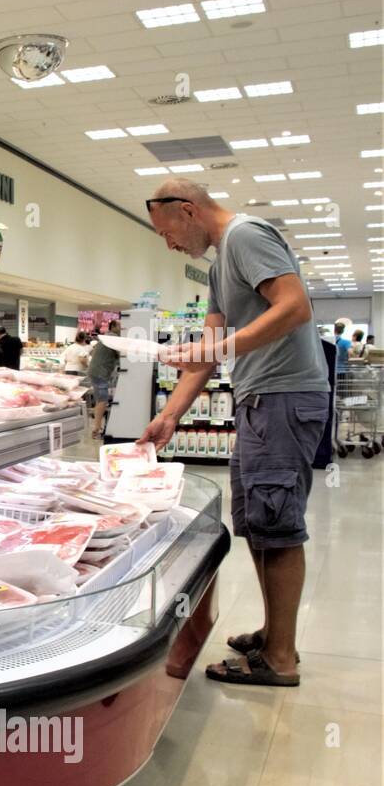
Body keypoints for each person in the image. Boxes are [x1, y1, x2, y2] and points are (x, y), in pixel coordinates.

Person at [141, 179, 329, 687]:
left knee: (279, 523)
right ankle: (274, 634)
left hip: (283, 396)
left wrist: (216, 353)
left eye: (168, 233)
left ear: (188, 210)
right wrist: (172, 414)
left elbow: (294, 306)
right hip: (258, 399)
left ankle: (281, 658)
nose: (170, 244)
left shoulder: (245, 236)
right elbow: (212, 344)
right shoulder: (220, 262)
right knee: (261, 522)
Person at [87, 322, 120, 439]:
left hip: (96, 371)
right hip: (100, 373)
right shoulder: (113, 337)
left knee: (100, 400)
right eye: (119, 325)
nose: (121, 328)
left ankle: (97, 426)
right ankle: (96, 428)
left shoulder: (106, 338)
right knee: (103, 400)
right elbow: (122, 354)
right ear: (113, 327)